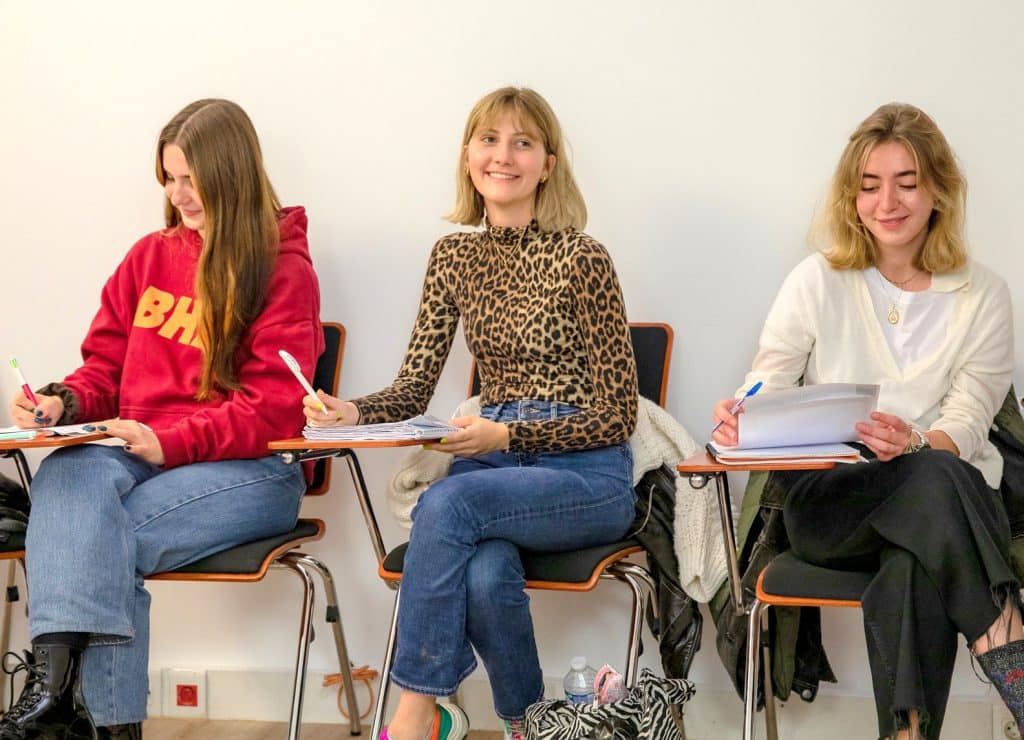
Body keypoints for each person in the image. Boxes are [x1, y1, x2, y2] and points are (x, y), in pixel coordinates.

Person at [305, 86, 638, 740]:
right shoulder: (453, 258)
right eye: (489, 140)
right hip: (496, 464)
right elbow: (411, 390)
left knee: (448, 505)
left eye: (522, 142)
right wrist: (350, 411)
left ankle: (413, 710)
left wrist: (510, 430)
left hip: (588, 476)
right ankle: (528, 724)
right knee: (484, 571)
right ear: (467, 156)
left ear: (548, 162)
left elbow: (619, 415)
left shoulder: (583, 257)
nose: (503, 156)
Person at [3, 99, 322, 739]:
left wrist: (166, 440)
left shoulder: (282, 269)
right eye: (168, 179)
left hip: (252, 470)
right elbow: (104, 368)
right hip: (141, 454)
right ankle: (73, 704)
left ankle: (82, 715)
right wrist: (64, 400)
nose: (177, 195)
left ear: (230, 173)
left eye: (189, 178)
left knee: (89, 540)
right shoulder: (149, 257)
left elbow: (276, 407)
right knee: (67, 471)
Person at [711, 103, 1020, 740]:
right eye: (870, 184)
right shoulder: (817, 280)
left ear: (938, 189)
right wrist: (745, 410)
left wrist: (914, 440)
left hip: (943, 500)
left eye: (907, 182)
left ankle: (905, 734)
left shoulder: (983, 293)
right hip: (833, 503)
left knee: (915, 547)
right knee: (933, 483)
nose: (889, 201)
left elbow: (967, 421)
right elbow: (767, 379)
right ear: (852, 198)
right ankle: (1010, 644)